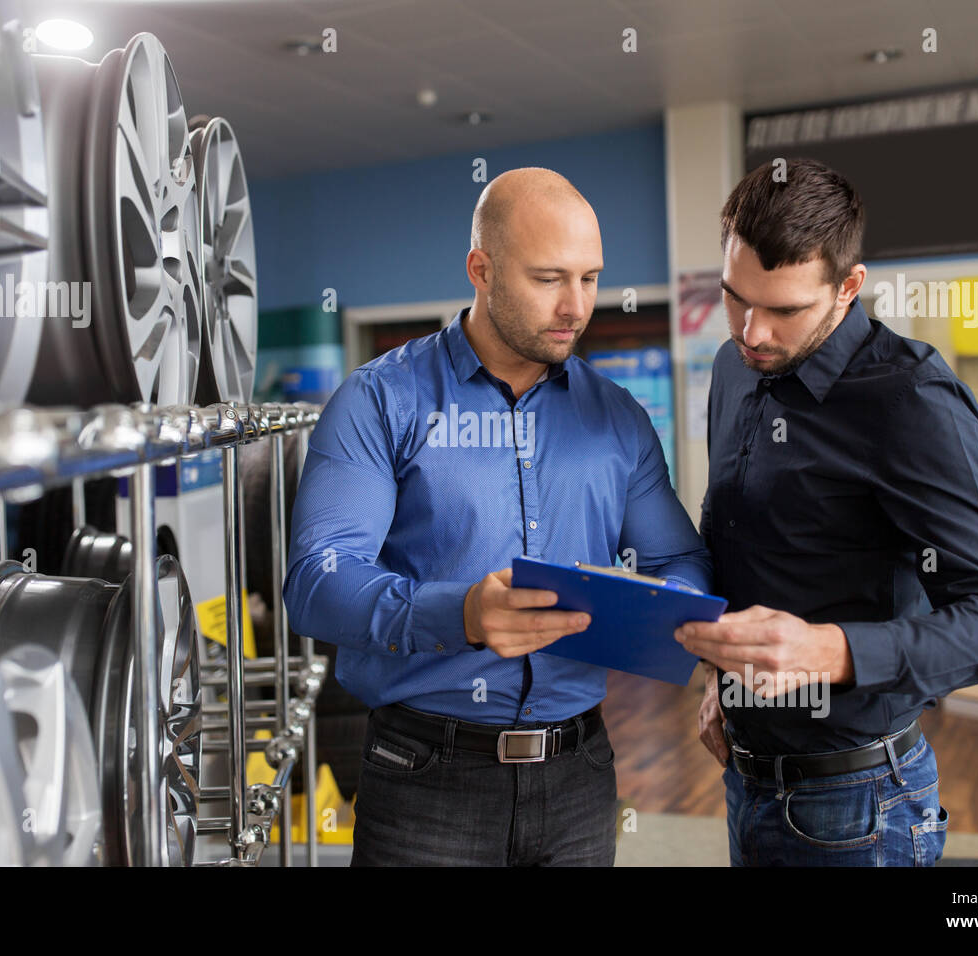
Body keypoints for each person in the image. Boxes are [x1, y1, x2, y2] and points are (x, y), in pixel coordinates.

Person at [283, 167, 713, 866]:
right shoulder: (379, 402)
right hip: (426, 782)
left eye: (590, 278)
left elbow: (679, 561)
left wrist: (666, 609)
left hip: (581, 777)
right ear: (481, 270)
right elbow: (318, 583)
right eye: (549, 279)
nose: (576, 306)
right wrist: (463, 613)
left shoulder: (619, 420)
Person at [675, 157, 978, 866]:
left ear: (849, 287)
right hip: (745, 786)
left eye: (783, 310)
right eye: (734, 299)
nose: (751, 332)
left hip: (863, 806)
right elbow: (751, 552)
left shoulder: (911, 401)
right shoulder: (731, 369)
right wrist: (727, 680)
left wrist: (830, 650)